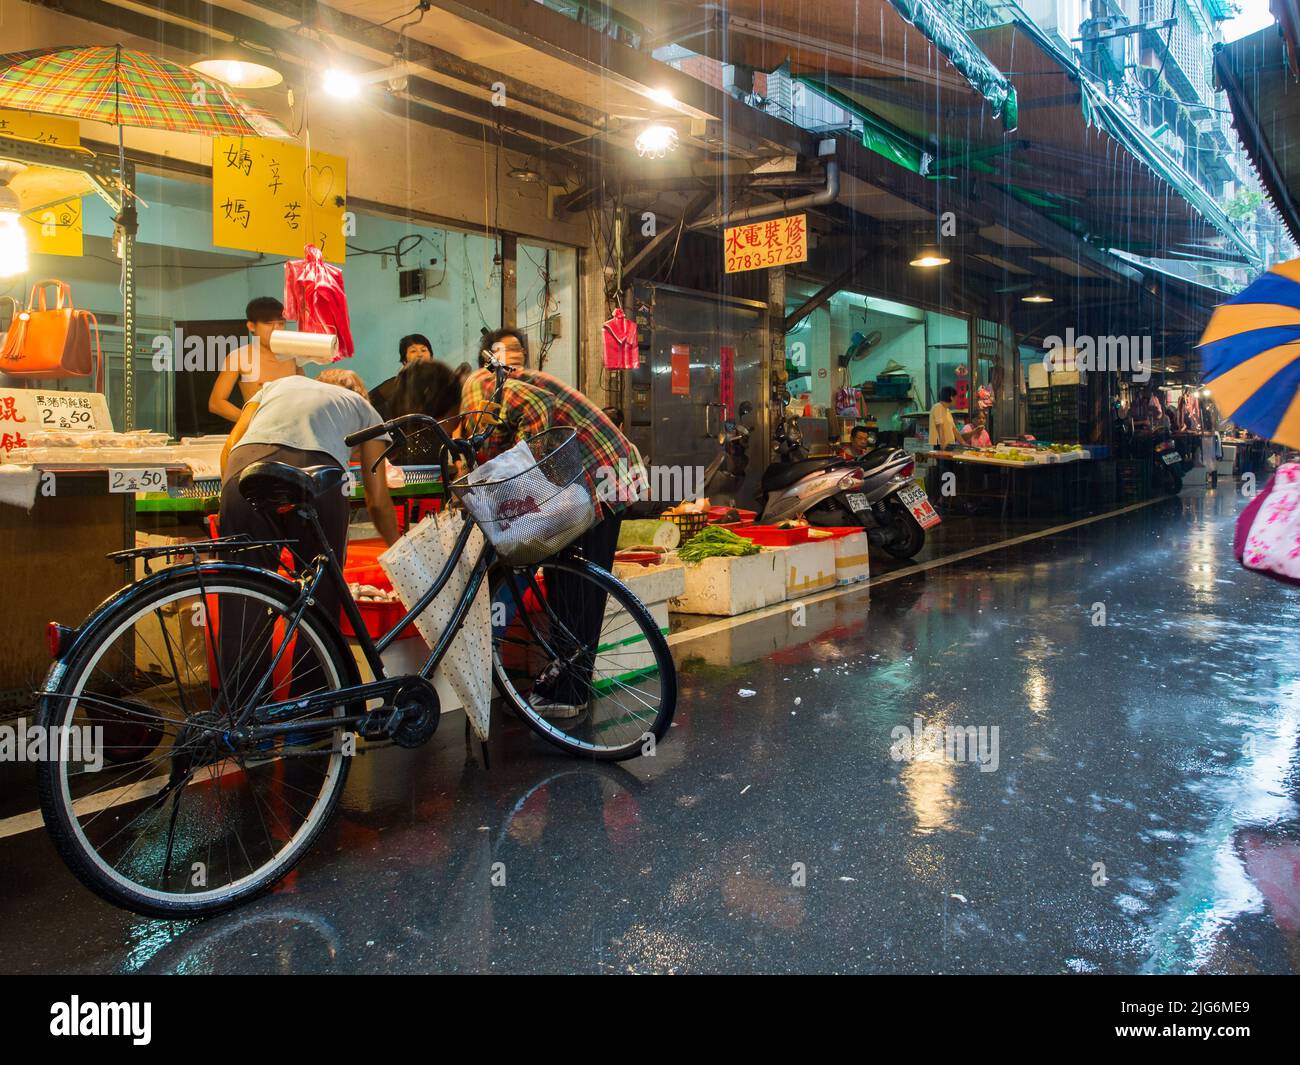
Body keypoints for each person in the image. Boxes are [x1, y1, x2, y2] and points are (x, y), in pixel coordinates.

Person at [447, 329, 642, 718]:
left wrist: (524, 477)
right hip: (583, 479)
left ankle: (570, 693)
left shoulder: (476, 388)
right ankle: (564, 683)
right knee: (567, 582)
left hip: (596, 476)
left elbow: (539, 410)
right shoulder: (484, 396)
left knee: (577, 585)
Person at [219, 375, 400, 667]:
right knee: (319, 599)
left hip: (245, 468)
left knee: (242, 592)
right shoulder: (364, 408)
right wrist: (400, 551)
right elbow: (377, 500)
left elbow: (231, 444)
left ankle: (239, 707)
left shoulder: (275, 385)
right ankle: (313, 704)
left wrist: (231, 499)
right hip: (316, 475)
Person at [208, 296, 301, 423]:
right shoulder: (239, 357)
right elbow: (216, 403)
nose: (276, 329)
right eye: (268, 324)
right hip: (258, 433)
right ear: (252, 326)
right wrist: (252, 422)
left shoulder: (293, 355)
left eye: (281, 323)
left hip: (293, 430)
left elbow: (304, 393)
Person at [370, 333, 434, 420]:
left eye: (424, 350)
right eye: (413, 351)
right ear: (404, 360)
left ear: (431, 356)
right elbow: (364, 404)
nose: (420, 354)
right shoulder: (393, 386)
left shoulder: (441, 382)